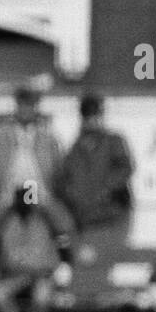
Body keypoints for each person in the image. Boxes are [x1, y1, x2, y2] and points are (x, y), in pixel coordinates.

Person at [54, 92, 136, 252]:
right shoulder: (74, 150)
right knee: (86, 270)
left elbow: (126, 168)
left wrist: (105, 191)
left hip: (111, 220)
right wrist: (74, 198)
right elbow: (63, 182)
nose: (92, 119)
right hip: (84, 223)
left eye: (95, 114)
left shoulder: (113, 141)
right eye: (88, 114)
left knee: (104, 265)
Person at [0, 84, 63, 209]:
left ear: (36, 107)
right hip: (6, 196)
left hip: (41, 197)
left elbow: (59, 171)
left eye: (30, 105)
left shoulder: (49, 139)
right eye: (23, 104)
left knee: (66, 226)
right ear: (17, 105)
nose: (26, 109)